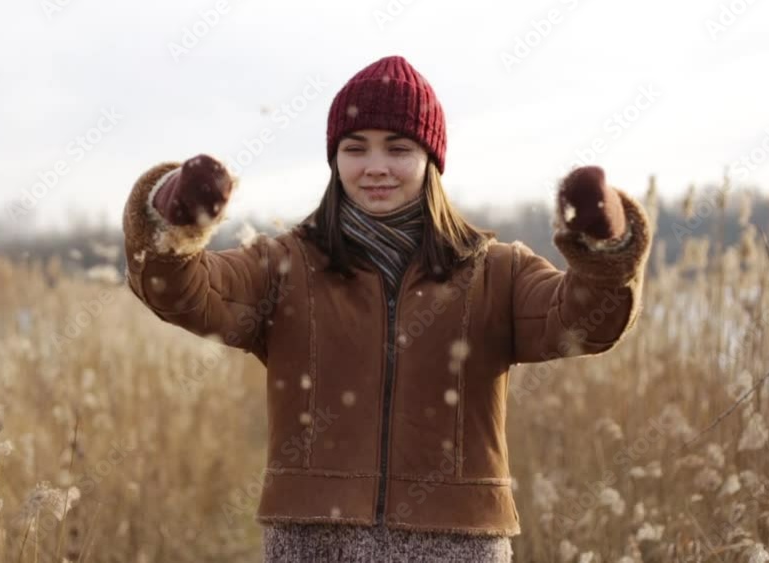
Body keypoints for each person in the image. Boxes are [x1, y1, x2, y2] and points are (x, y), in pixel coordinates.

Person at [121, 55, 652, 563]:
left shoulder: (498, 271)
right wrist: (172, 221)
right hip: (312, 542)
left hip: (459, 544)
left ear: (430, 158)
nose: (375, 167)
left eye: (398, 148)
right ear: (335, 159)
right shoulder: (284, 265)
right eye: (356, 148)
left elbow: (582, 323)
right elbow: (192, 293)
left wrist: (602, 250)